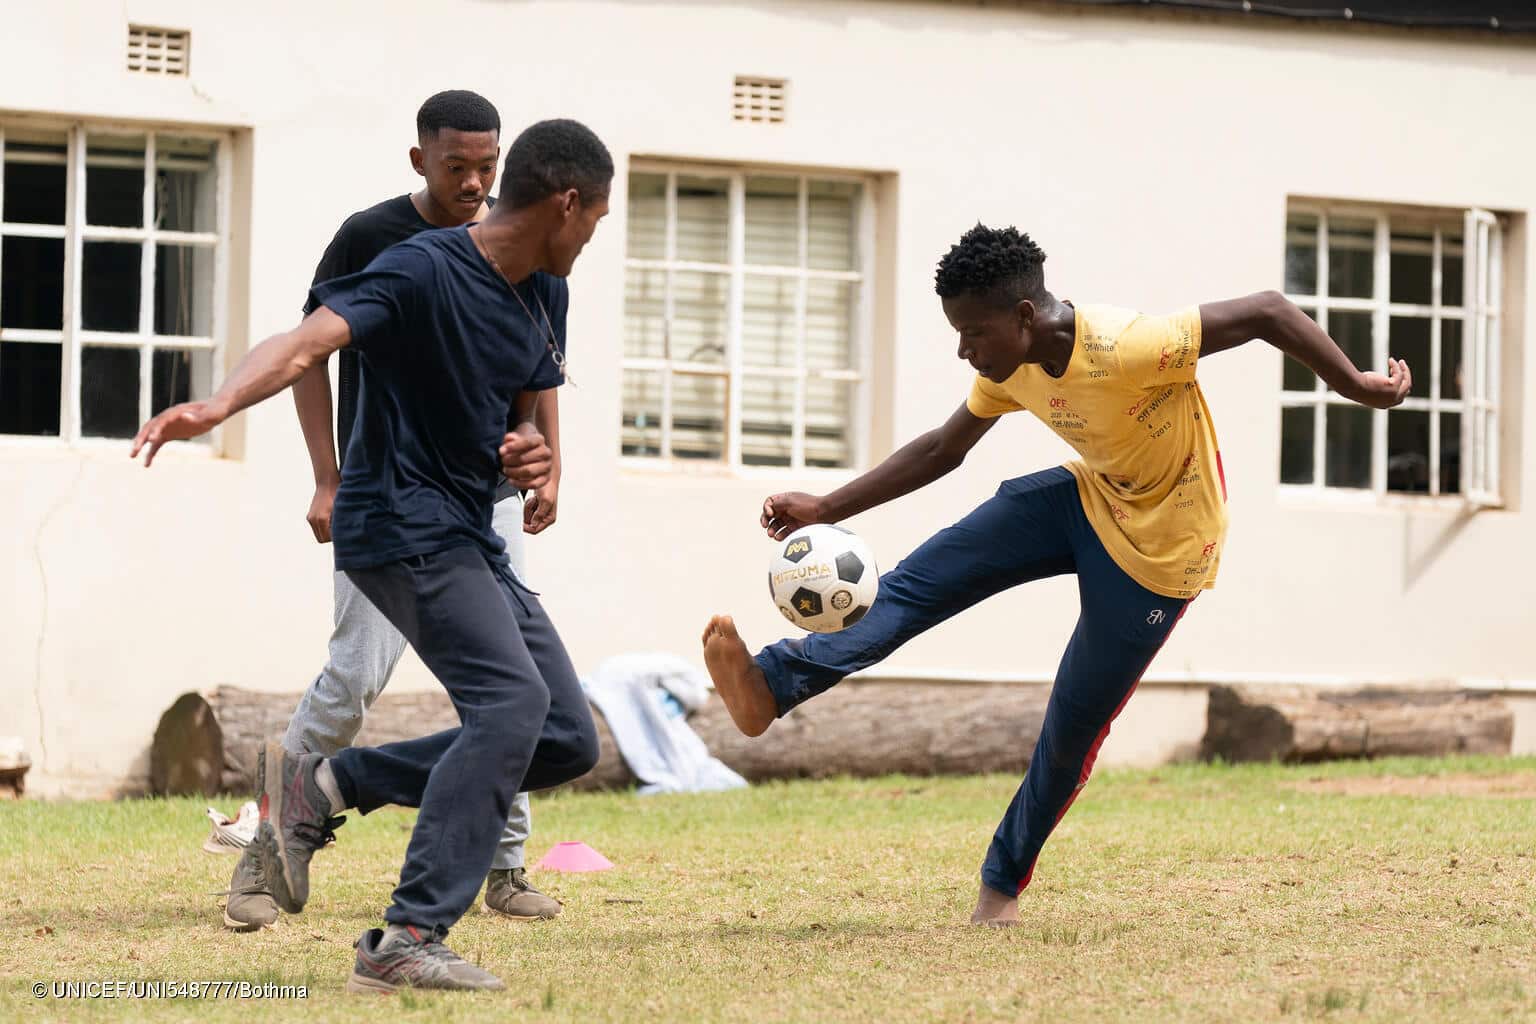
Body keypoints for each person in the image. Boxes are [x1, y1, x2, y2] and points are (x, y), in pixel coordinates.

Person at [700, 223, 1411, 927]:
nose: (963, 350)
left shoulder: (1131, 345)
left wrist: (1357, 386)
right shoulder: (1009, 368)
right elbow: (944, 449)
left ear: (1023, 317)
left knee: (1071, 726)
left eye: (972, 333)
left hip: (1162, 552)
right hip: (1088, 498)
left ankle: (1000, 891)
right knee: (919, 584)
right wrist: (827, 505)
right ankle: (773, 684)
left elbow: (1267, 310)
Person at [133, 119, 613, 991]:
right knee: (508, 705)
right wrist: (219, 403)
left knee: (563, 736)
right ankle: (404, 940)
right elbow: (308, 342)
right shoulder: (422, 266)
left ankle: (323, 787)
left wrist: (530, 455)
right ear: (568, 203)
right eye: (595, 221)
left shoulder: (543, 289)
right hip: (397, 522)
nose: (591, 239)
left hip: (467, 524)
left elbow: (517, 411)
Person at [222, 89, 563, 933]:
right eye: (457, 167)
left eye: (488, 166)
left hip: (486, 508)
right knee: (353, 676)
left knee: (509, 693)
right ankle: (266, 851)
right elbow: (309, 356)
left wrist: (548, 465)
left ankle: (506, 864)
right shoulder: (376, 238)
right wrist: (326, 477)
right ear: (420, 160)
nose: (475, 182)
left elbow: (537, 375)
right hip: (393, 507)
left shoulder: (528, 247)